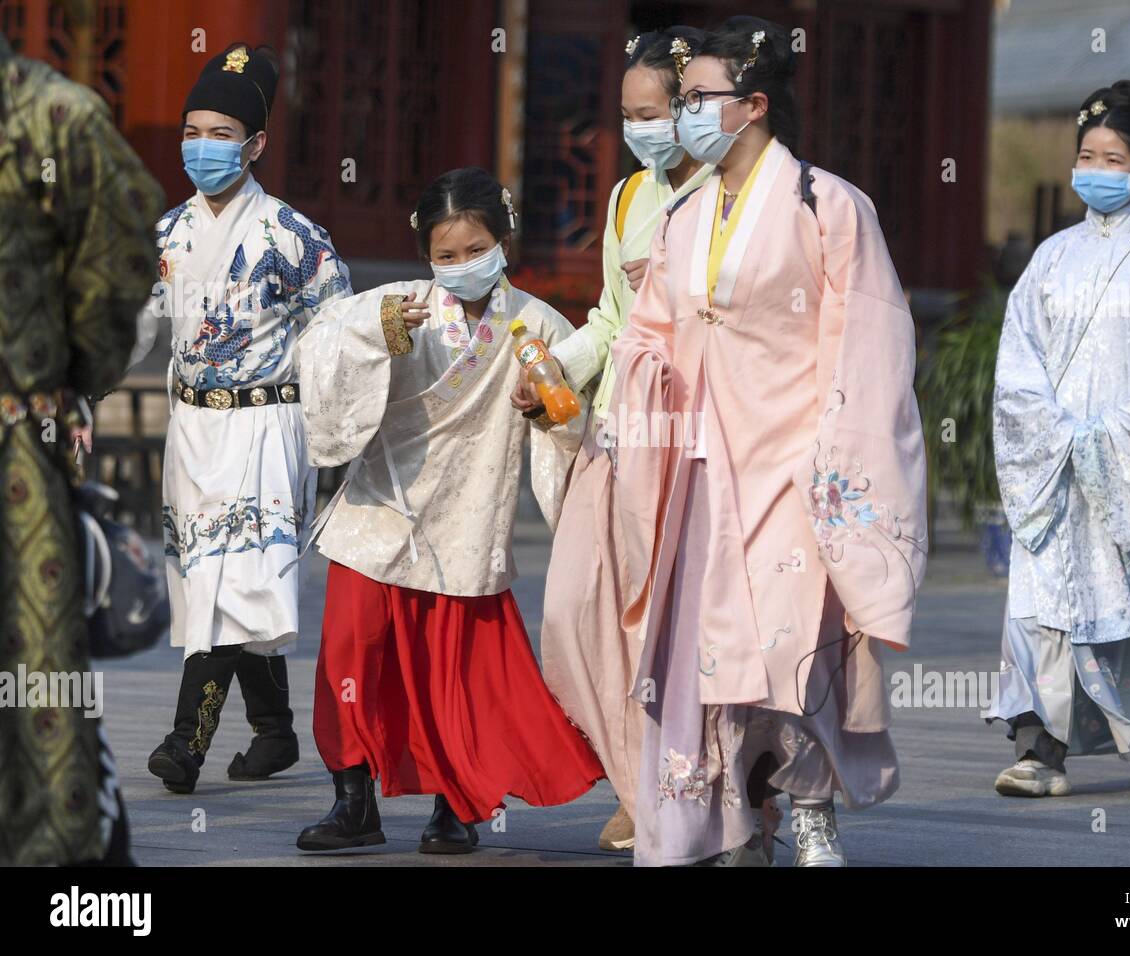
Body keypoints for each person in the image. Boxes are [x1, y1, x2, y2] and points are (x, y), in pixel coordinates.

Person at [608, 16, 928, 867]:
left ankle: (814, 808)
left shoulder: (828, 206)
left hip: (796, 463)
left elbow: (869, 340)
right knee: (711, 650)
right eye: (680, 101)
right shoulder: (678, 218)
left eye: (697, 99)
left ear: (752, 106)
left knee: (793, 643)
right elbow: (648, 334)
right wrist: (641, 384)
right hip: (703, 466)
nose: (682, 115)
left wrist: (836, 454)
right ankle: (726, 815)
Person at [295, 167, 605, 854]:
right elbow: (319, 353)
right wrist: (373, 337)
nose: (461, 265)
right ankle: (352, 800)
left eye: (474, 250)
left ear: (503, 240)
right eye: (446, 255)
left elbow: (577, 421)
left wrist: (550, 406)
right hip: (379, 512)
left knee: (452, 676)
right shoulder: (395, 306)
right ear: (425, 256)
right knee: (350, 655)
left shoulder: (539, 324)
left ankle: (455, 805)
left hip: (467, 517)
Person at [984, 80, 1130, 796]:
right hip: (1051, 465)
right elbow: (1017, 359)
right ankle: (1040, 748)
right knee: (1042, 598)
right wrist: (1053, 434)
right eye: (1087, 154)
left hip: (1129, 463)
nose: (1097, 169)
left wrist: (1110, 439)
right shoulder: (1050, 257)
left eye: (1114, 159)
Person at [145, 43, 352, 795]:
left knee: (232, 581)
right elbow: (136, 324)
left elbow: (339, 341)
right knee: (221, 578)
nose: (202, 147)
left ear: (256, 144)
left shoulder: (295, 240)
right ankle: (275, 731)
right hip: (193, 428)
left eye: (221, 133)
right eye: (192, 131)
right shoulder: (169, 234)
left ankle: (185, 743)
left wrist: (335, 442)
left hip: (266, 426)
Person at [531, 26, 714, 854]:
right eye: (628, 114)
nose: (642, 129)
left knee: (675, 624)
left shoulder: (730, 192)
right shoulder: (626, 197)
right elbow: (612, 316)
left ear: (692, 109)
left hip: (695, 431)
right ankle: (633, 774)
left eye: (656, 113)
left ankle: (681, 788)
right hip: (620, 430)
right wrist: (554, 369)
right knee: (577, 605)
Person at [0, 30, 164, 864]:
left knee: (34, 686)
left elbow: (127, 244)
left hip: (13, 462)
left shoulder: (55, 117)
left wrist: (64, 378)